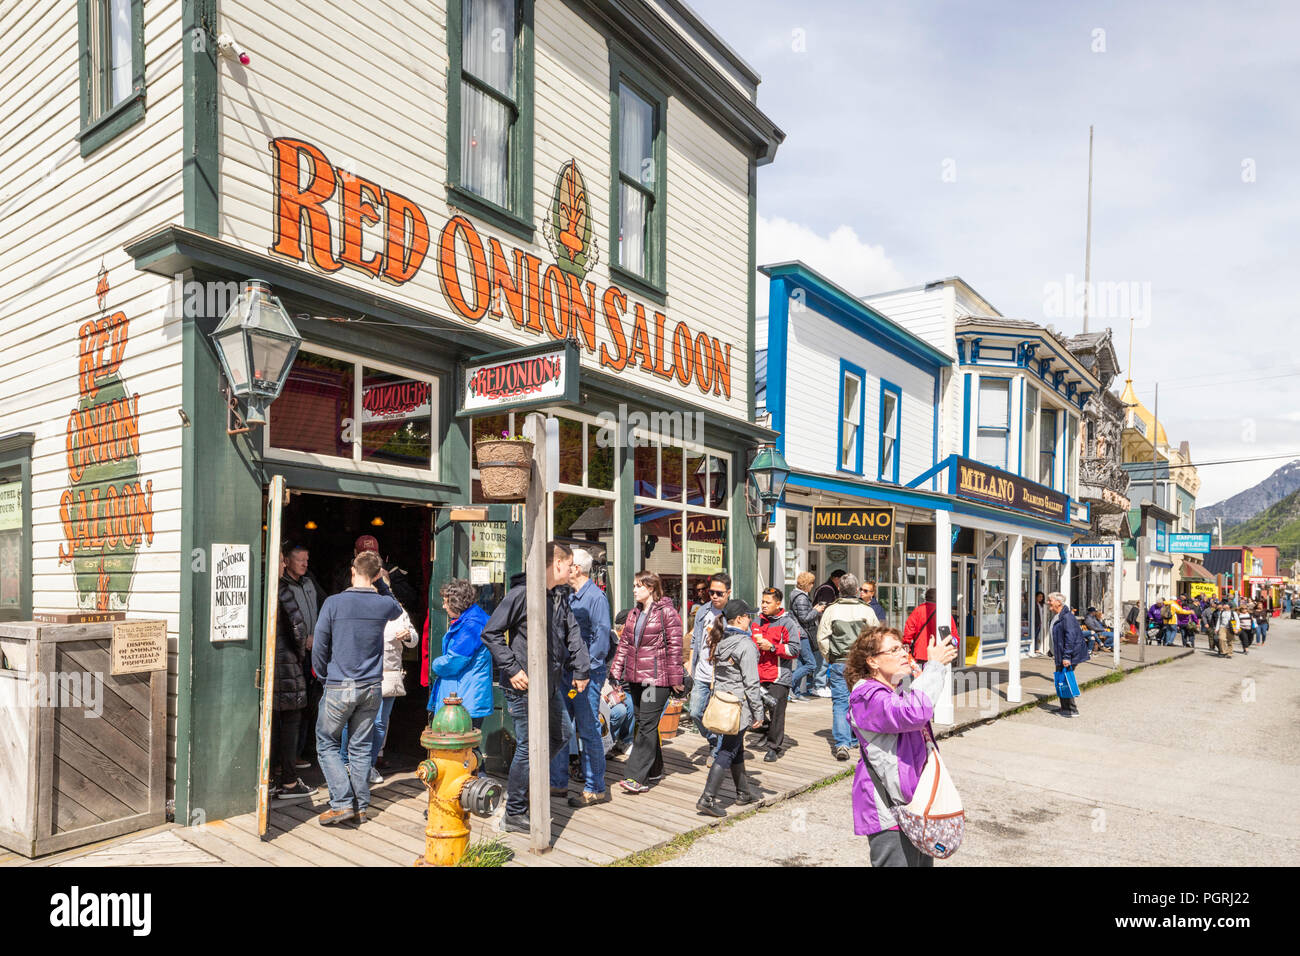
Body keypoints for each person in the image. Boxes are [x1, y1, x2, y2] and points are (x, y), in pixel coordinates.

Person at [480, 541, 590, 834]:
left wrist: (582, 667)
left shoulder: (559, 596)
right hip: (523, 685)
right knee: (530, 747)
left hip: (550, 685)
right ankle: (514, 812)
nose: (572, 570)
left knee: (561, 735)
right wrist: (512, 667)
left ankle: (523, 791)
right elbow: (490, 633)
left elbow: (573, 634)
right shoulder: (522, 594)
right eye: (569, 564)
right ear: (556, 563)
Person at [846, 624, 958, 867]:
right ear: (873, 662)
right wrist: (934, 667)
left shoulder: (894, 690)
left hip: (914, 805)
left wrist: (920, 678)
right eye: (894, 650)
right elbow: (913, 713)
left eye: (903, 647)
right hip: (889, 809)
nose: (903, 654)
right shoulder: (866, 696)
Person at [311, 550, 404, 826]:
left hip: (340, 683)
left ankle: (341, 803)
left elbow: (319, 645)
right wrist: (382, 584)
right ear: (377, 576)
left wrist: (322, 675)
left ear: (353, 570)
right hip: (372, 686)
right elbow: (397, 608)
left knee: (326, 743)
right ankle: (361, 807)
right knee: (361, 748)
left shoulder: (333, 603)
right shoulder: (382, 604)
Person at [609, 571, 685, 793]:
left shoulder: (667, 614)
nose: (634, 590)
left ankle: (636, 777)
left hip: (655, 680)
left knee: (647, 724)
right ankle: (655, 769)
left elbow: (675, 648)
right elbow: (624, 645)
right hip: (635, 678)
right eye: (634, 585)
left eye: (638, 586)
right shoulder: (633, 614)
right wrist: (616, 670)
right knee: (645, 724)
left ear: (651, 588)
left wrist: (676, 679)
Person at [551, 547, 612, 808]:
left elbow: (601, 638)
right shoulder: (567, 595)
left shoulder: (596, 598)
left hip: (586, 676)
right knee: (562, 728)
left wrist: (585, 671)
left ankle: (595, 788)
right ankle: (557, 783)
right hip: (566, 673)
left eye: (565, 563)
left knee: (588, 731)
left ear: (576, 568)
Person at [695, 600, 765, 817]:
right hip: (739, 706)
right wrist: (759, 711)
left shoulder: (720, 640)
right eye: (749, 616)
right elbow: (751, 683)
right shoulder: (745, 645)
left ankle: (743, 792)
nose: (751, 620)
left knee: (735, 747)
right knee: (727, 750)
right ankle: (707, 798)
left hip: (722, 703)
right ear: (740, 619)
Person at [428, 578, 494, 768]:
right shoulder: (472, 619)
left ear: (456, 602)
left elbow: (454, 661)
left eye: (446, 600)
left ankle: (476, 788)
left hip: (466, 695)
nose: (443, 604)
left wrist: (435, 664)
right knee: (469, 745)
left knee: (467, 747)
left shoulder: (471, 624)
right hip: (467, 692)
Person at [816, 573, 878, 760]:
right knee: (861, 702)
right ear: (857, 590)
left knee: (840, 703)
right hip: (861, 664)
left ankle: (842, 743)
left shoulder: (831, 610)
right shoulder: (866, 610)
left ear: (839, 590)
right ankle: (857, 738)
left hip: (839, 663)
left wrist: (830, 656)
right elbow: (876, 637)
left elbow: (822, 638)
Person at [272, 550, 317, 801]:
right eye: (280, 560)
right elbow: (299, 630)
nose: (281, 565)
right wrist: (300, 655)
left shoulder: (262, 587)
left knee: (272, 724)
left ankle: (267, 779)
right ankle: (288, 783)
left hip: (270, 667)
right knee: (290, 723)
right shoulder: (282, 589)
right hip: (288, 667)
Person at [282, 542, 325, 766]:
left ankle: (305, 749)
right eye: (301, 560)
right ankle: (291, 756)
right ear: (287, 561)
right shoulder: (282, 586)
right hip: (293, 653)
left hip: (313, 650)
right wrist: (303, 639)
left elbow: (325, 604)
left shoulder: (309, 582)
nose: (305, 564)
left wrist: (319, 635)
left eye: (307, 560)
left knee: (311, 702)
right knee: (295, 705)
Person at [752, 587, 802, 762]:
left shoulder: (787, 623)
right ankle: (766, 728)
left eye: (768, 602)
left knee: (776, 711)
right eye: (762, 602)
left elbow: (795, 650)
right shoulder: (756, 621)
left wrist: (773, 647)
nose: (764, 605)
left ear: (778, 603)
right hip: (757, 675)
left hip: (779, 676)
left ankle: (773, 746)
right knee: (750, 708)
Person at [687, 572, 731, 763]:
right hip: (701, 670)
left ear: (728, 593)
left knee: (719, 716)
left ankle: (717, 751)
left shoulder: (732, 613)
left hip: (722, 673)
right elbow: (695, 640)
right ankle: (712, 740)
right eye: (711, 592)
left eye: (719, 593)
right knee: (695, 712)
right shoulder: (703, 611)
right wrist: (691, 663)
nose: (714, 596)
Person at [1047, 591, 1089, 717]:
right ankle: (1064, 707)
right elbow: (1057, 636)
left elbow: (1071, 638)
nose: (1048, 602)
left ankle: (1071, 709)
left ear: (1058, 602)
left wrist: (1067, 656)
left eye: (1050, 600)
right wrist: (1052, 649)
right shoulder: (1058, 615)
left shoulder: (1067, 617)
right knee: (1061, 680)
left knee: (1065, 680)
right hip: (1060, 653)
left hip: (1067, 655)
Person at [789, 571, 825, 700]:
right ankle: (788, 684)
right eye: (812, 583)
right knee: (811, 664)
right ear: (807, 584)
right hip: (802, 633)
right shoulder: (801, 597)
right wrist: (816, 610)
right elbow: (804, 618)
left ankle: (796, 692)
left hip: (799, 632)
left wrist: (813, 609)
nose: (812, 586)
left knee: (801, 662)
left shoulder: (797, 595)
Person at [901, 588, 959, 663]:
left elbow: (909, 631)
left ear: (926, 597)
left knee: (922, 674)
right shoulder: (943, 612)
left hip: (921, 653)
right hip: (940, 654)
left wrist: (906, 644)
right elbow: (953, 633)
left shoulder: (918, 611)